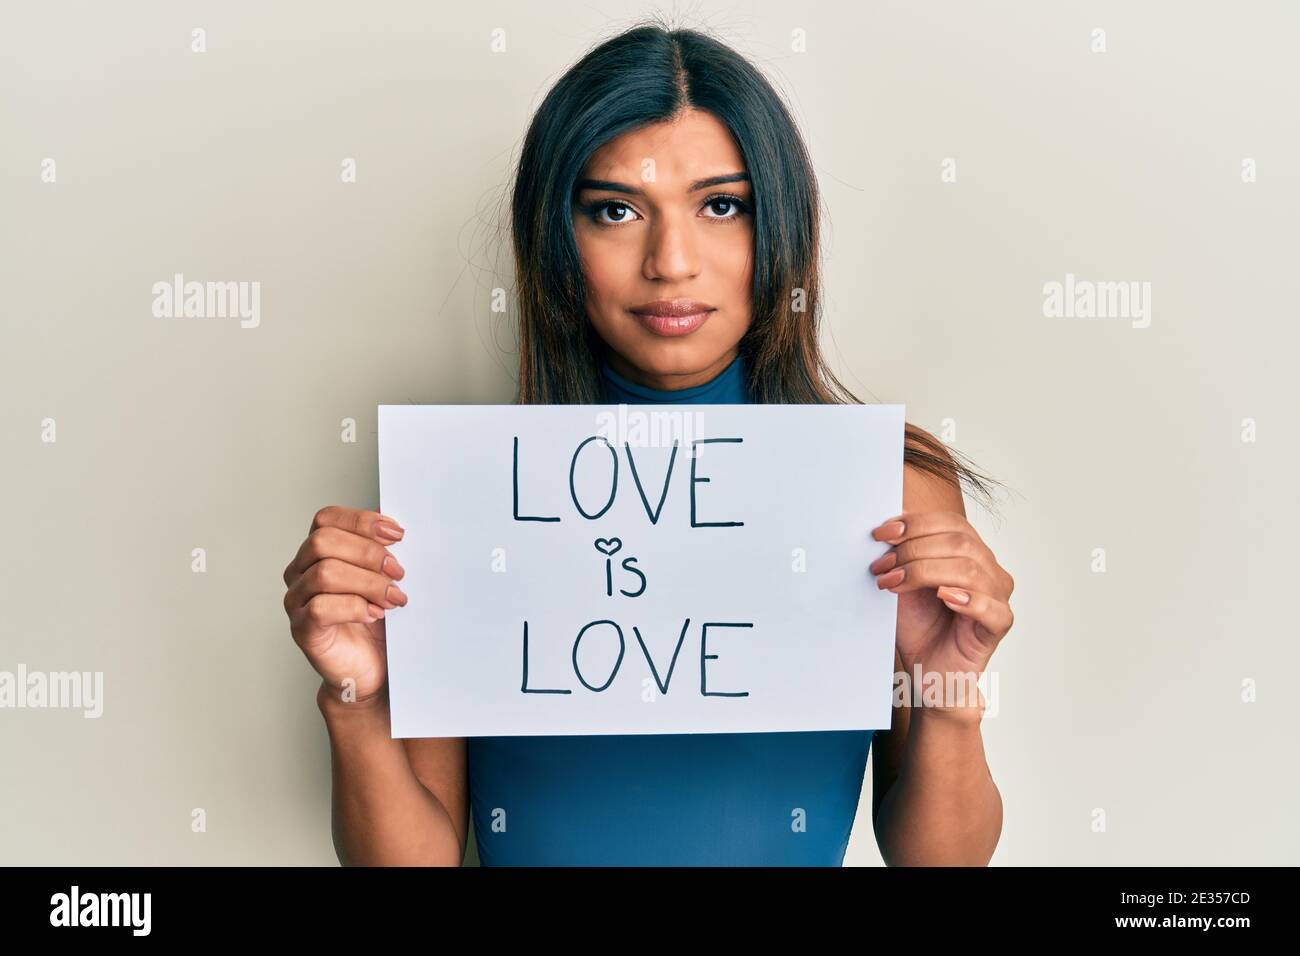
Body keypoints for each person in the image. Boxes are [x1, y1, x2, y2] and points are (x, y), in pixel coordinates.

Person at [281, 21, 1015, 866]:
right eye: (617, 210)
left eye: (720, 205)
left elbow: (941, 863)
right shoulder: (464, 492)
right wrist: (355, 702)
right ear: (559, 237)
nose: (671, 261)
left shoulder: (886, 487)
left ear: (777, 227)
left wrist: (951, 694)